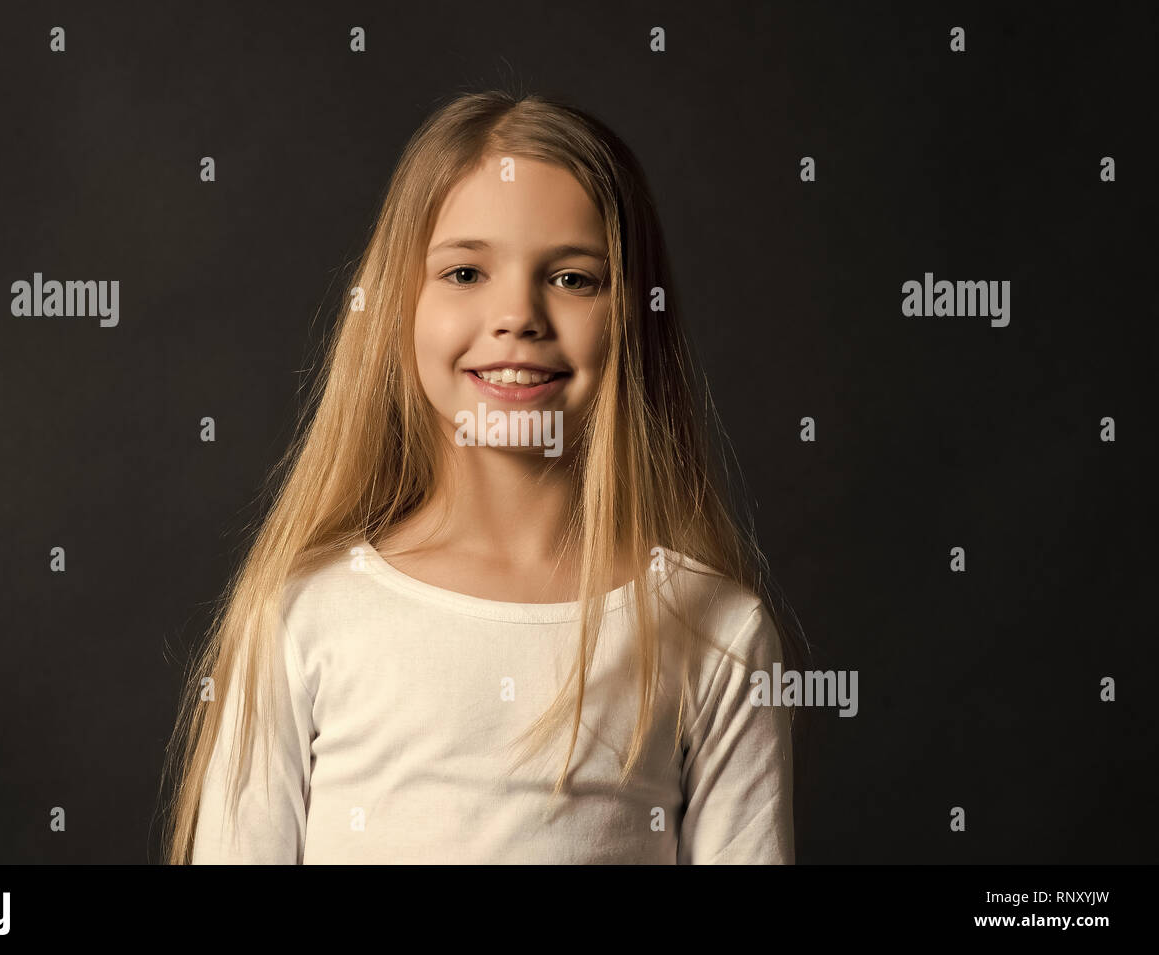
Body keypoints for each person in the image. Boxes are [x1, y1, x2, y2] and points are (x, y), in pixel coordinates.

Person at [161, 90, 805, 864]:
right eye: (465, 271)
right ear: (400, 306)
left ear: (635, 315)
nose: (517, 316)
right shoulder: (304, 615)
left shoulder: (715, 632)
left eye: (573, 278)